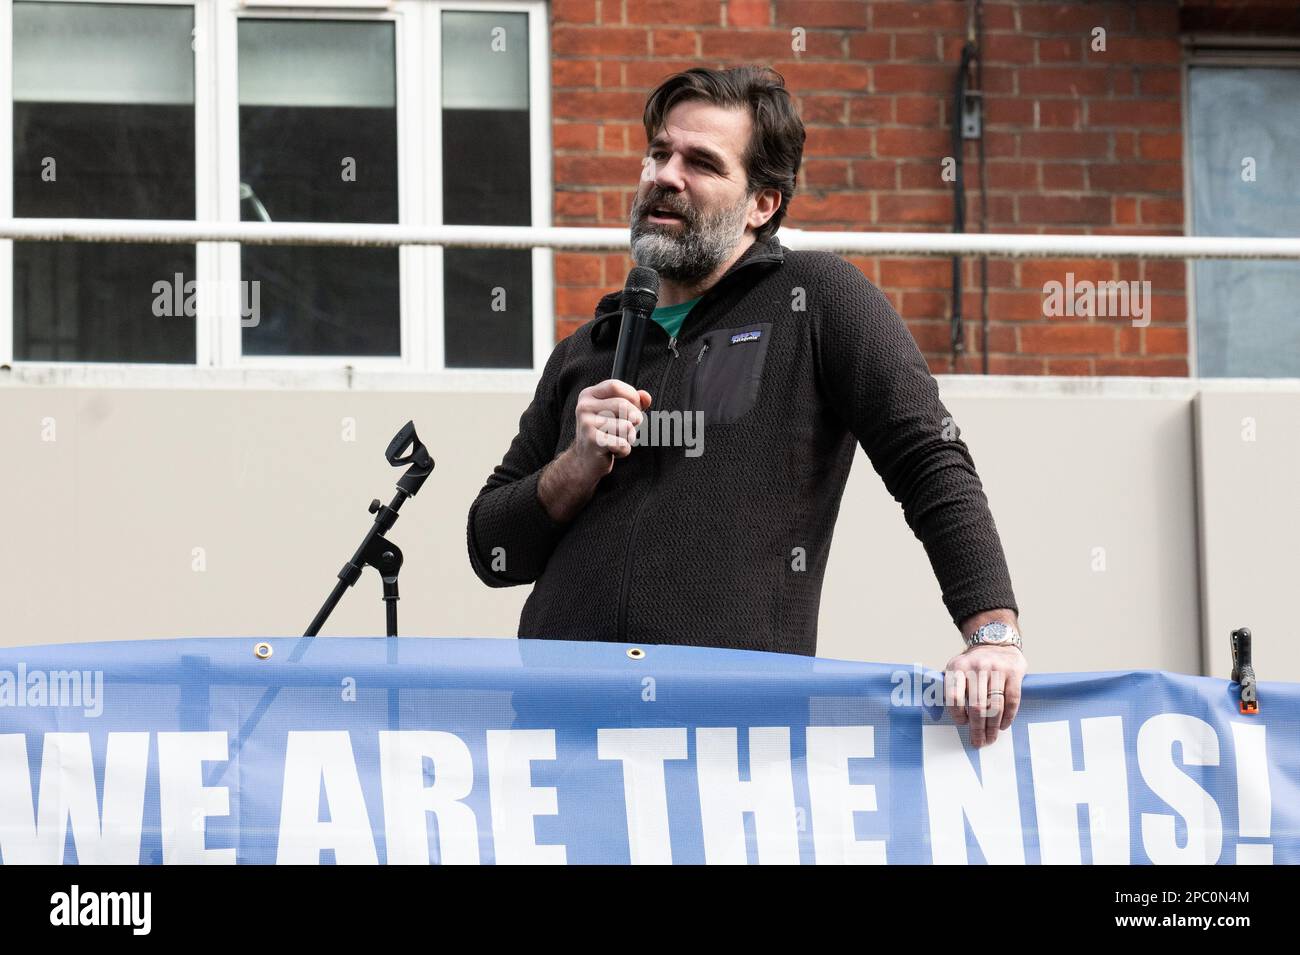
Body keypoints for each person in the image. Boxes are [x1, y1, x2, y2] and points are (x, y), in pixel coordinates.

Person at [467, 65, 1025, 747]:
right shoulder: (589, 348)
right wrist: (572, 470)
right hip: (560, 736)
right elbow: (491, 548)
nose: (665, 175)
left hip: (730, 744)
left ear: (763, 203)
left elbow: (929, 457)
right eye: (659, 152)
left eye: (701, 162)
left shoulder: (817, 298)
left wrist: (991, 633)